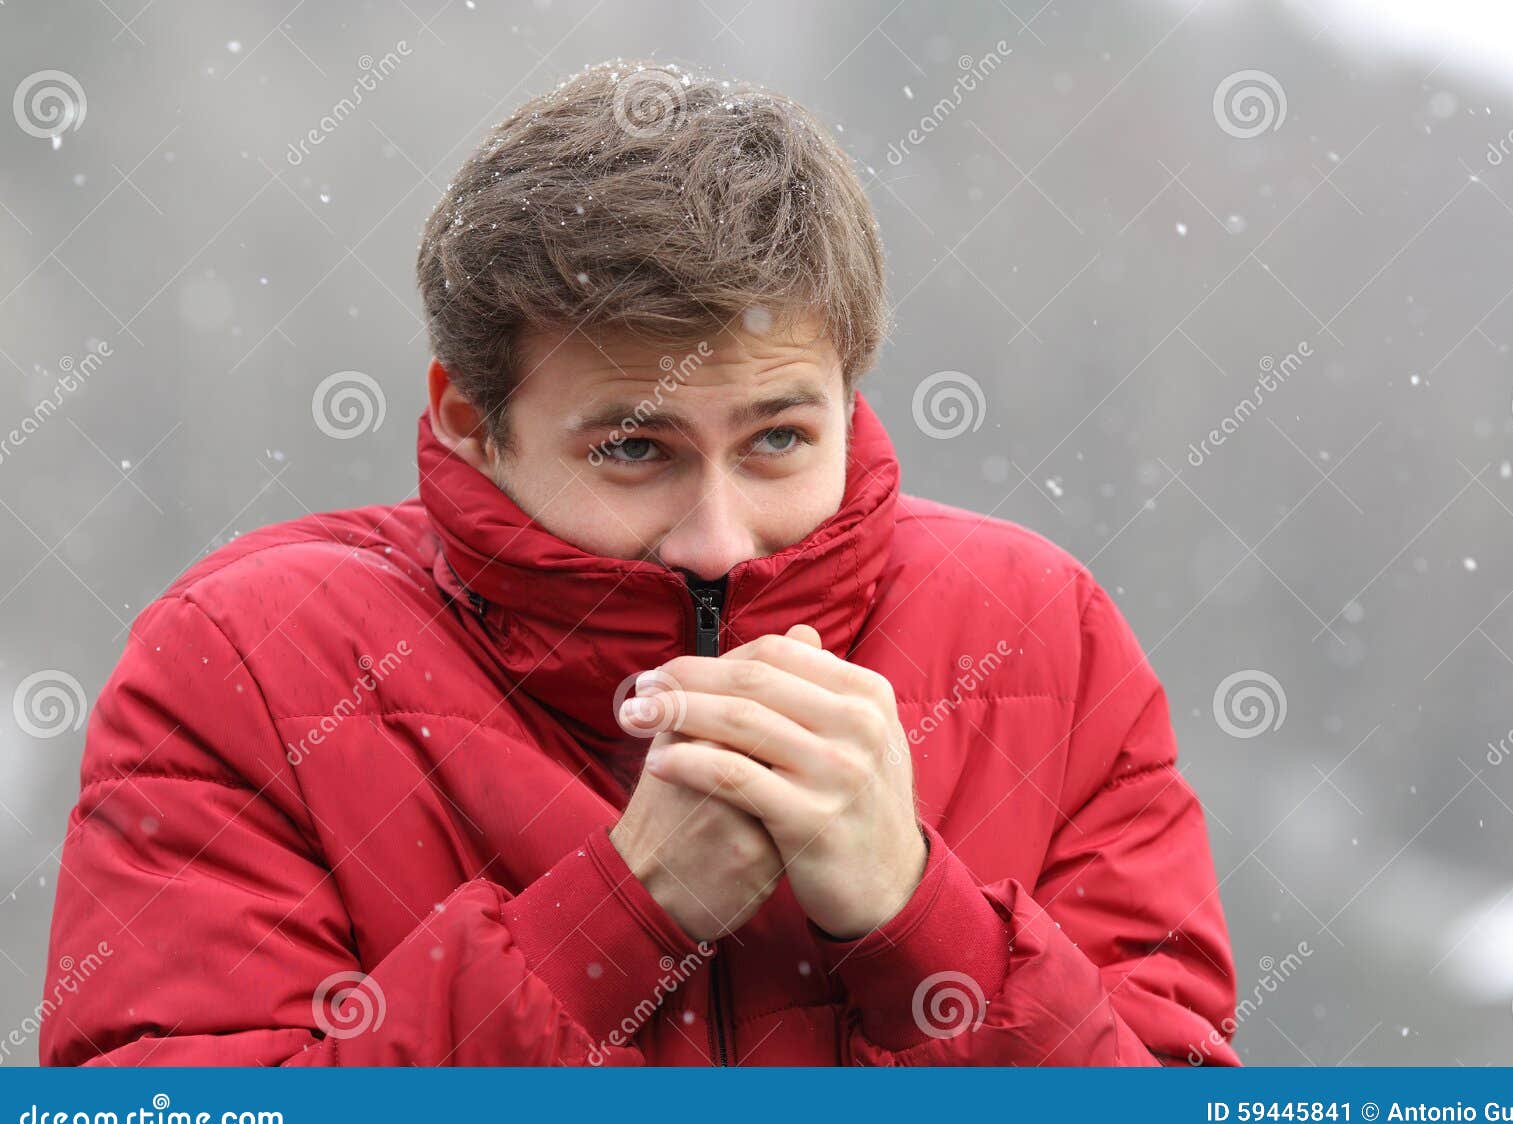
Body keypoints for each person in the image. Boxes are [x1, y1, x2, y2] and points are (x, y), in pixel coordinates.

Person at [40, 60, 1239, 1066]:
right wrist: (619, 914)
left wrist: (918, 915)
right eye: (632, 447)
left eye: (778, 436)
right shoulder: (243, 660)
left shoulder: (1042, 633)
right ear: (469, 417)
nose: (717, 536)